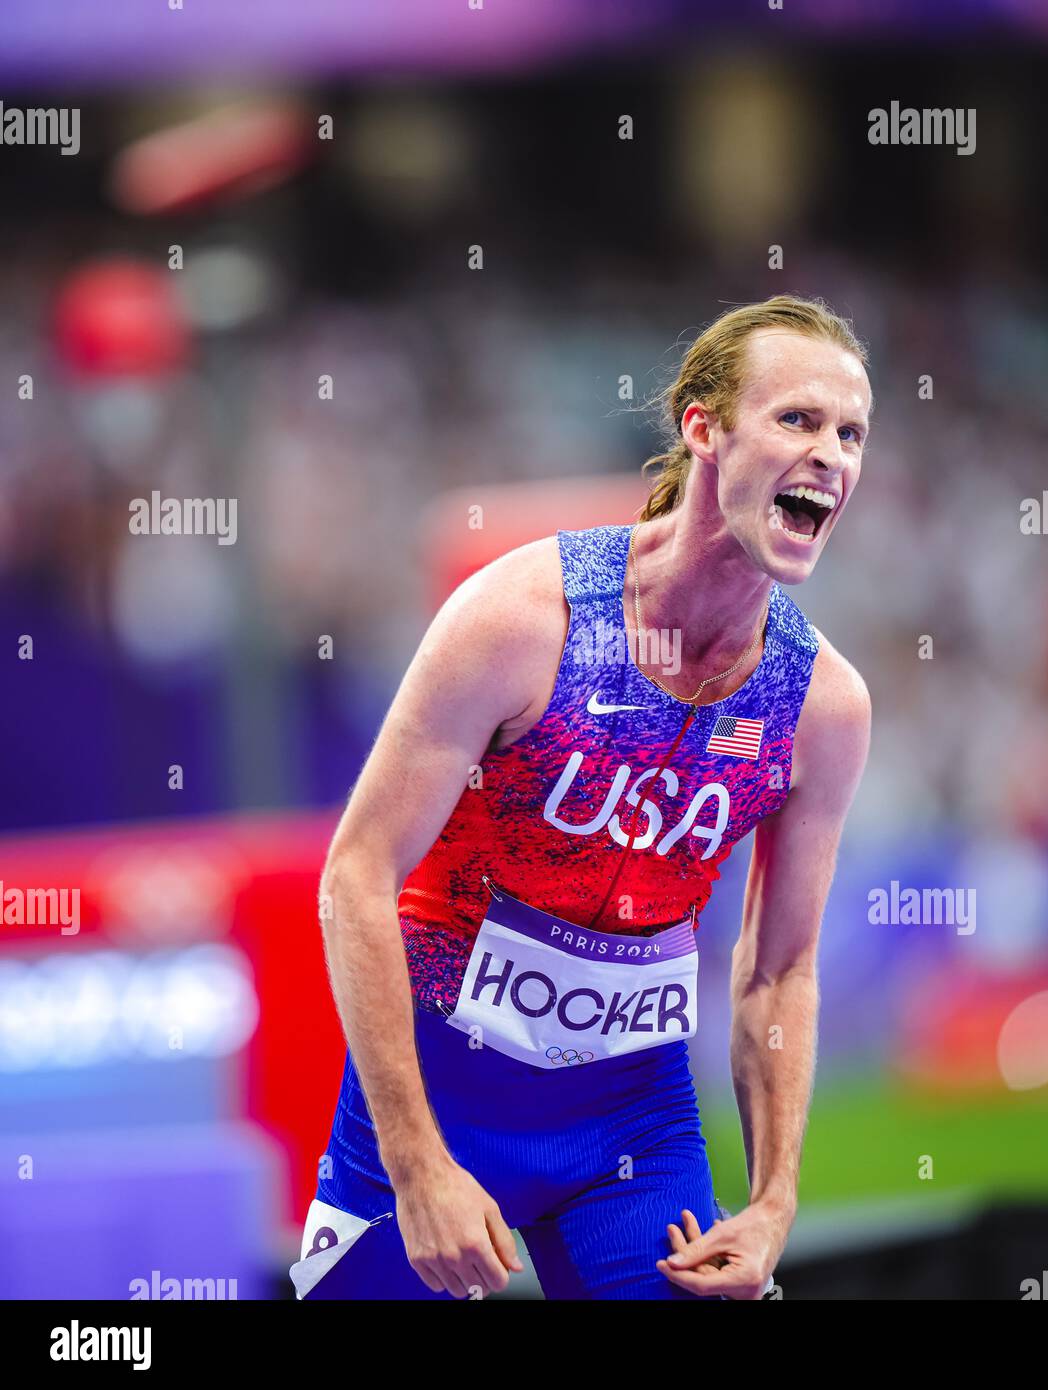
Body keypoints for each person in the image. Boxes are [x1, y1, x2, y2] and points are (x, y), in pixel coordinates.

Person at [292, 293, 873, 1301]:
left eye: (852, 433)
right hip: (443, 1087)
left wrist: (777, 1197)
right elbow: (355, 874)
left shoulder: (823, 705)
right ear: (704, 429)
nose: (832, 454)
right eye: (797, 419)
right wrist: (418, 1162)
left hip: (632, 1120)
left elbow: (779, 971)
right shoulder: (521, 620)